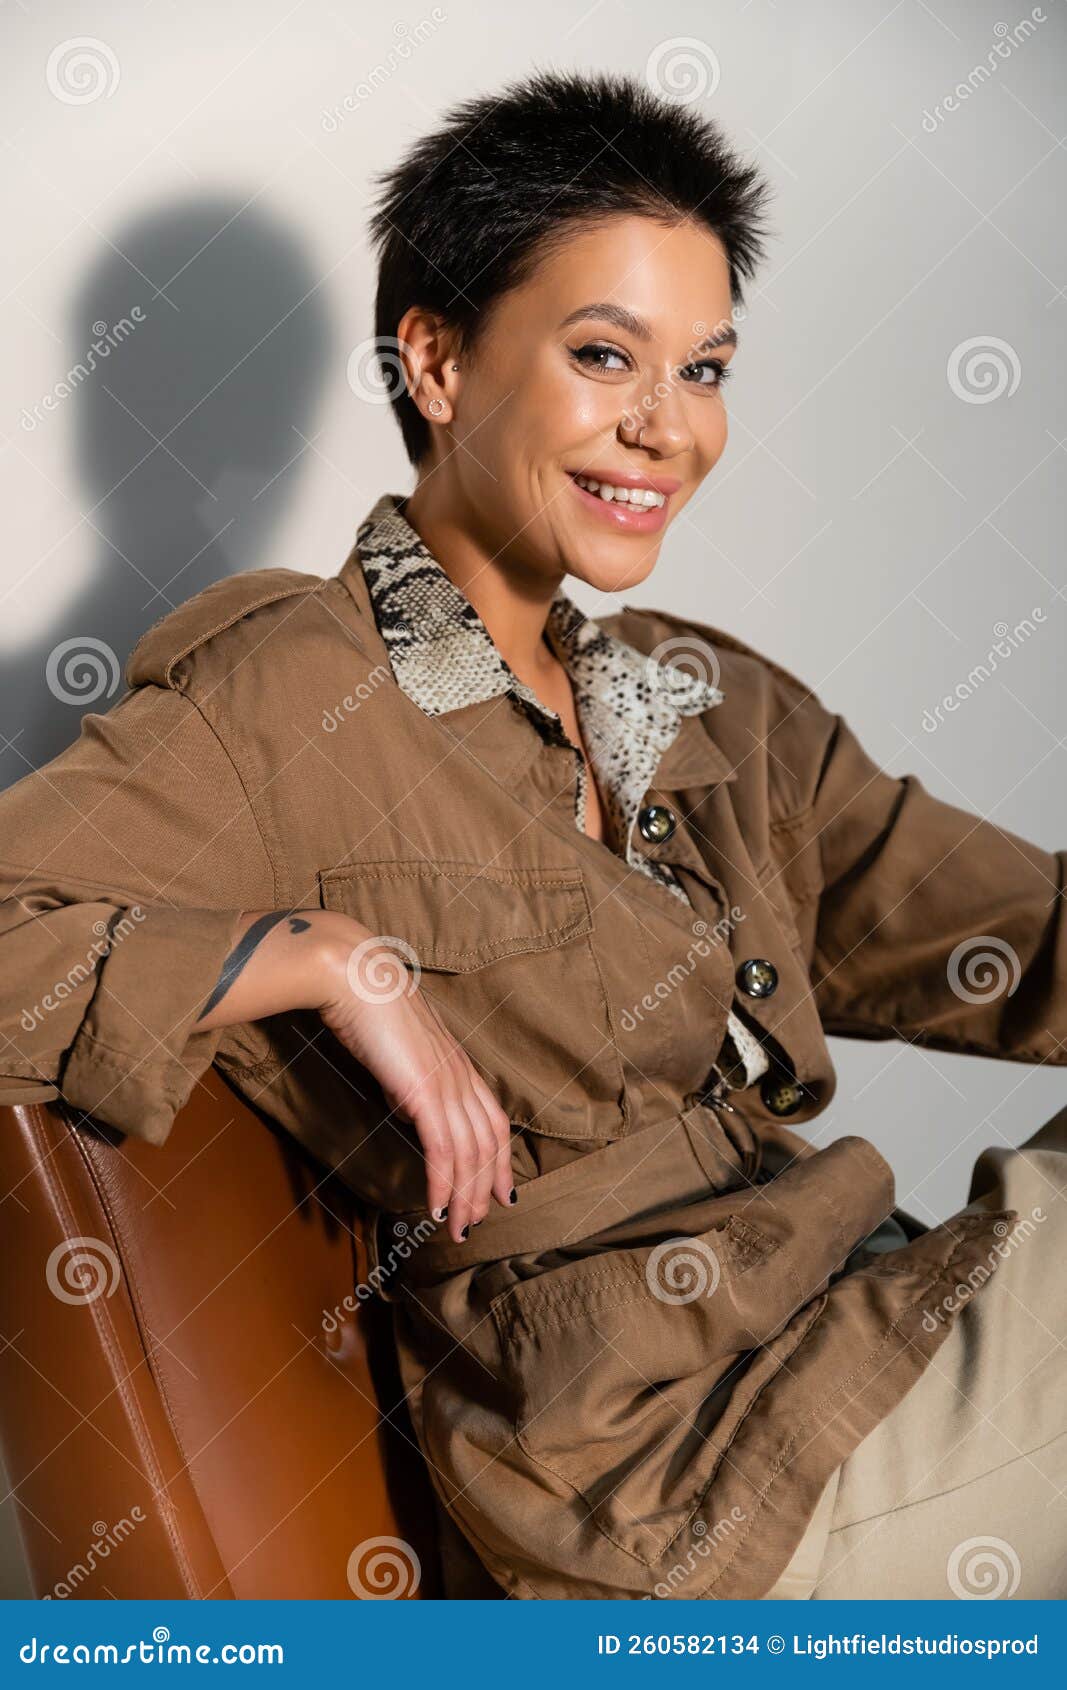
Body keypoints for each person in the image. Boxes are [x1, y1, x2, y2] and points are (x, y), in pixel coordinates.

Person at [1, 70, 1064, 1601]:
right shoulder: (286, 692)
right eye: (603, 354)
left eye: (705, 369)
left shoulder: (706, 708)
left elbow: (1018, 937)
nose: (668, 427)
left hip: (863, 1319)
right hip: (677, 1487)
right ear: (433, 360)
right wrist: (322, 956)